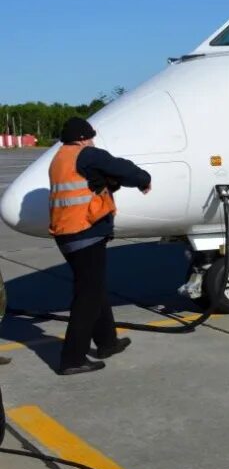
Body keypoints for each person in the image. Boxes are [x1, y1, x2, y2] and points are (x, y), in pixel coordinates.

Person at [48, 117, 151, 375]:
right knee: (88, 296)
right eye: (90, 136)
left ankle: (107, 342)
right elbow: (121, 168)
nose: (92, 140)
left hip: (67, 233)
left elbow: (92, 180)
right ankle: (72, 359)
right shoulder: (86, 154)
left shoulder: (60, 157)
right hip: (85, 233)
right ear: (83, 137)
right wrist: (143, 179)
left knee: (94, 287)